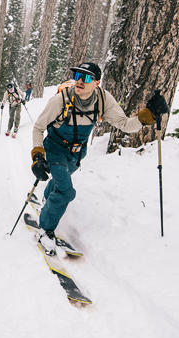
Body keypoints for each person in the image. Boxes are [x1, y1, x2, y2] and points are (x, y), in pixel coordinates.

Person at [29, 61, 168, 255]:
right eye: (77, 76)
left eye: (86, 78)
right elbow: (38, 127)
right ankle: (46, 229)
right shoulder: (61, 100)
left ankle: (47, 199)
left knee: (62, 180)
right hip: (55, 149)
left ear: (97, 82)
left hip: (77, 153)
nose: (79, 81)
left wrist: (149, 116)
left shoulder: (103, 100)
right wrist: (37, 155)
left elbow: (125, 124)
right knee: (67, 191)